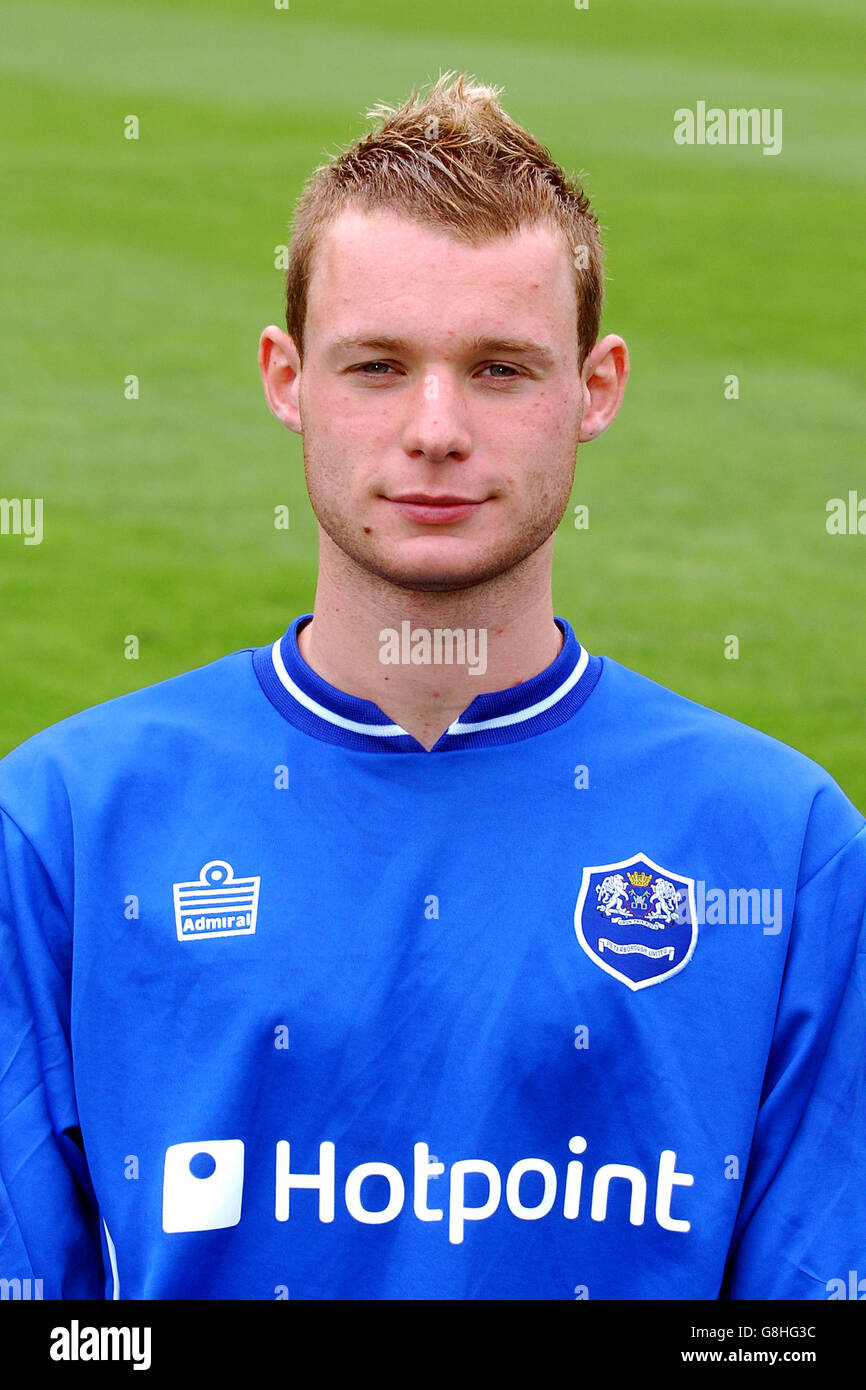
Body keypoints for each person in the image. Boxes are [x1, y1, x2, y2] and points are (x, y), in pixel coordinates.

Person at [1, 72, 864, 1302]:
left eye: (501, 369)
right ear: (286, 378)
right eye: (376, 367)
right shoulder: (64, 827)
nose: (435, 427)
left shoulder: (781, 846)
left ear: (595, 387)